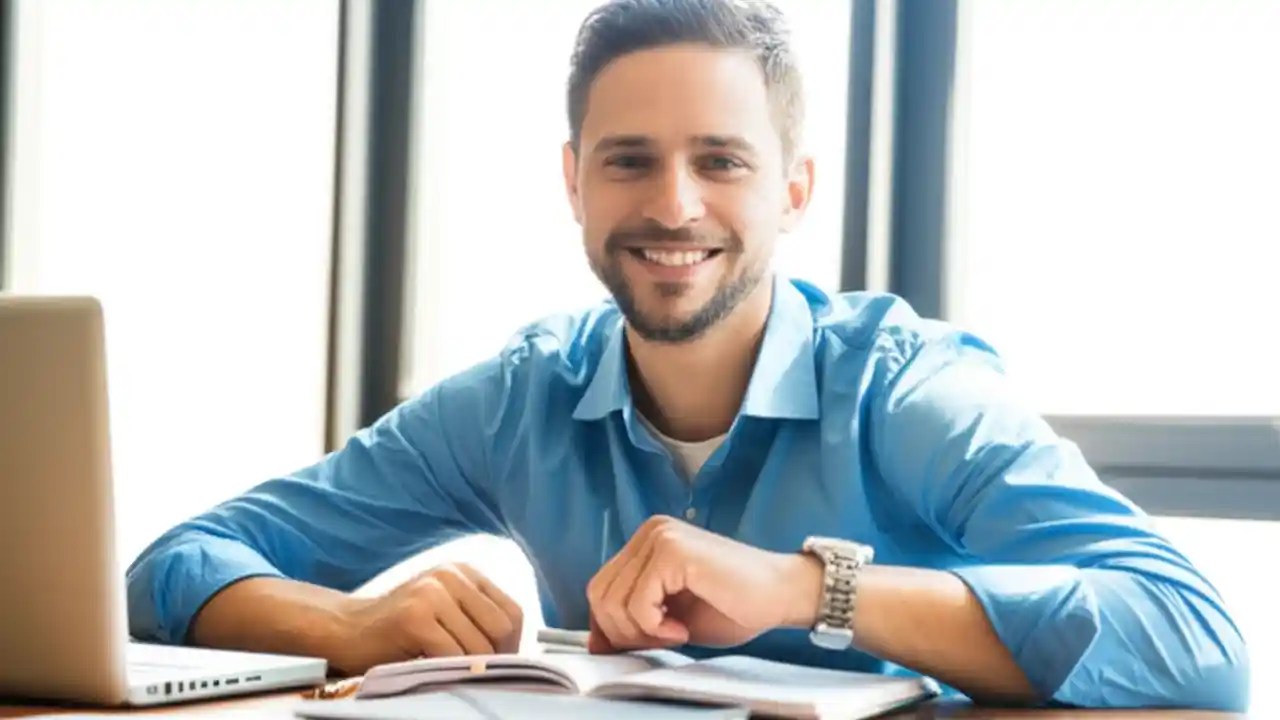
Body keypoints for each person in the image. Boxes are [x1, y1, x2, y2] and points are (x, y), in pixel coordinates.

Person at [127, 0, 1248, 710]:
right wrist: (346, 625)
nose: (673, 205)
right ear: (572, 182)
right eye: (628, 162)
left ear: (792, 190)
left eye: (719, 161)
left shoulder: (910, 389)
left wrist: (804, 589)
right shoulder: (516, 402)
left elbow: (1195, 643)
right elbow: (171, 568)